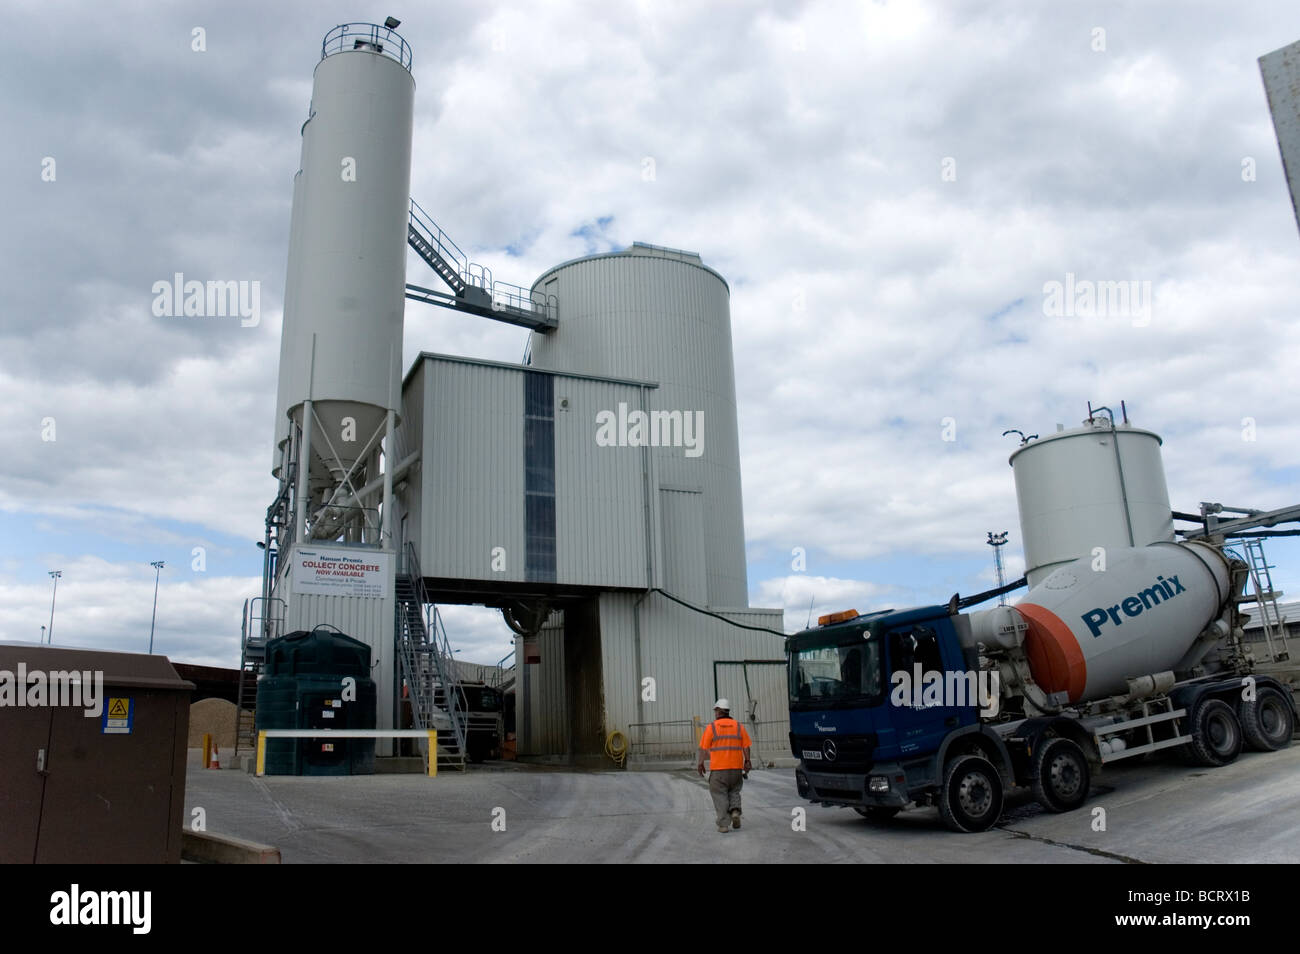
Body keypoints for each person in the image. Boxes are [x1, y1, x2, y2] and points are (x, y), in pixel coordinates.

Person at [696, 698, 753, 833]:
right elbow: (746, 746)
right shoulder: (739, 726)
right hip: (735, 769)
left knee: (719, 794)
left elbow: (704, 749)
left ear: (718, 711)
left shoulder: (711, 727)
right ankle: (734, 811)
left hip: (719, 770)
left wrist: (700, 763)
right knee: (734, 790)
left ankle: (723, 824)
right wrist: (747, 761)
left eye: (715, 711)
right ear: (727, 711)